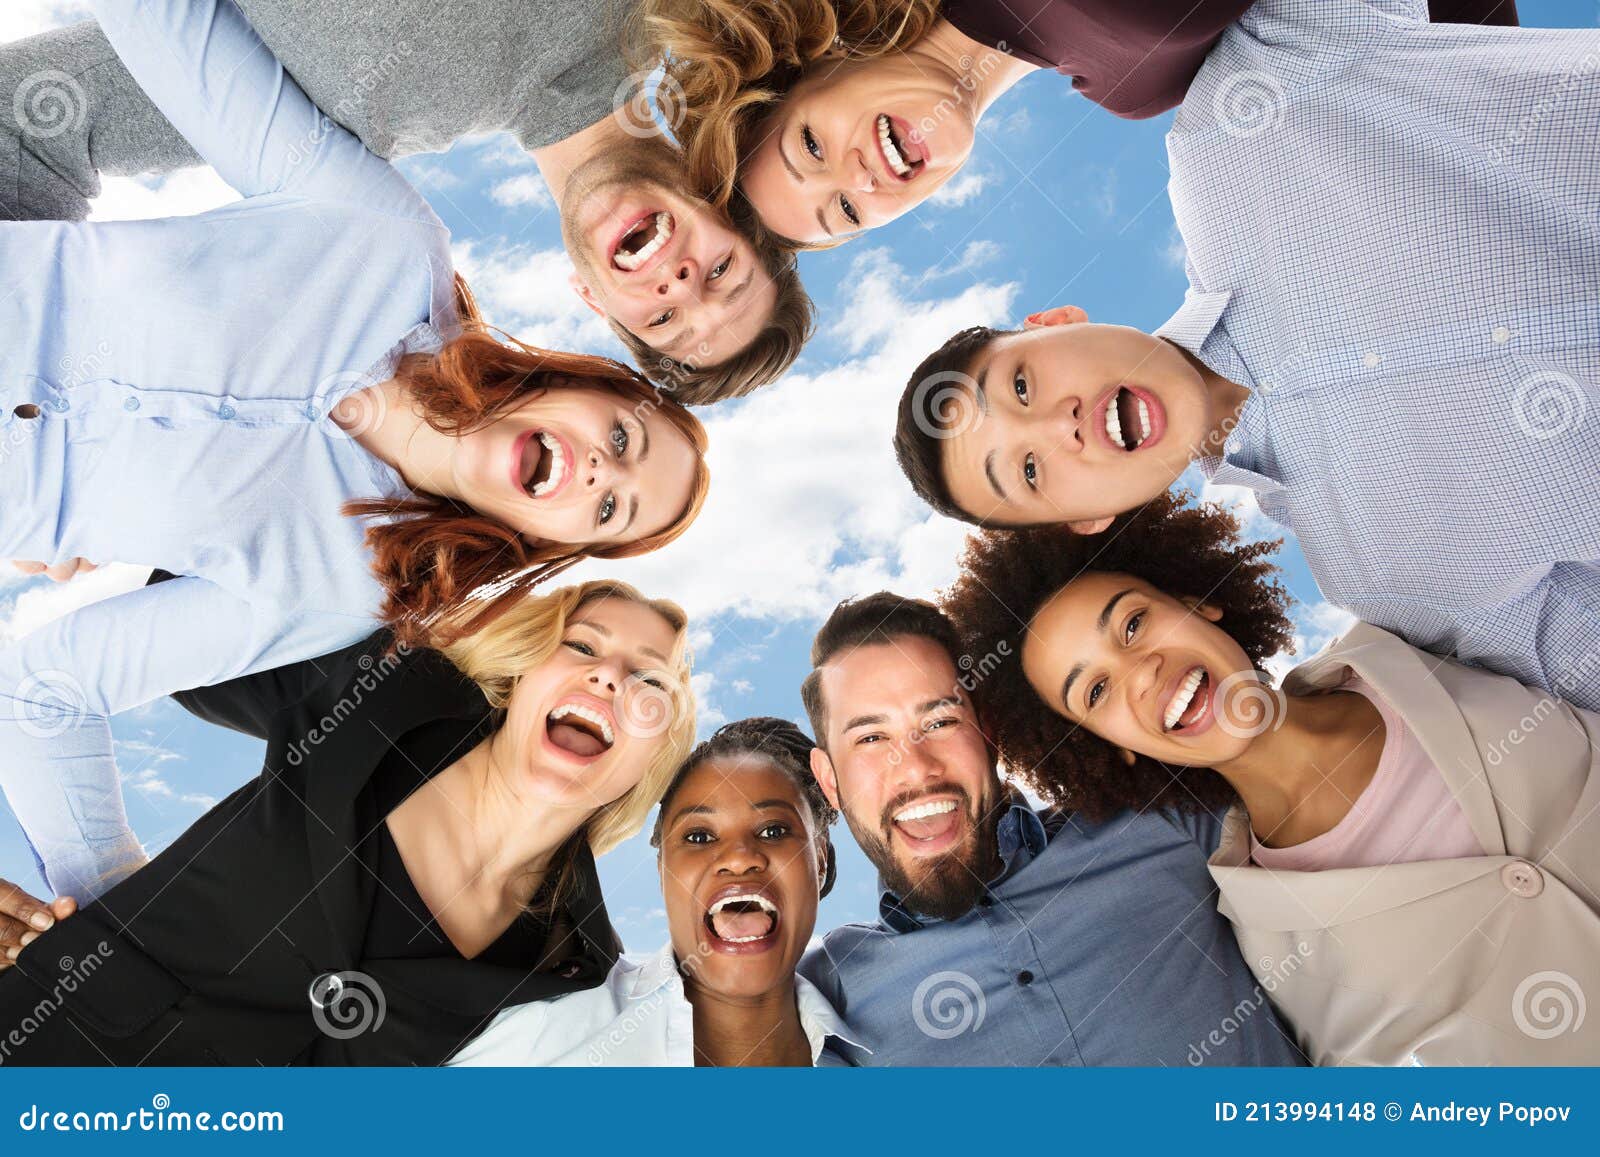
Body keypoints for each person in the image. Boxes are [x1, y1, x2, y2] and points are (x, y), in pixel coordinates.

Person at [0, 0, 711, 903]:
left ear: (560, 540)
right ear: (585, 382)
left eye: (614, 507)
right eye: (623, 437)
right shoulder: (387, 241)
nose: (606, 471)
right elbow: (166, 27)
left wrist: (105, 910)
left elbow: (41, 690)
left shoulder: (347, 591)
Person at [896, 0, 1599, 709]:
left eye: (1021, 386)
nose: (1062, 424)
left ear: (1054, 320)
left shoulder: (1237, 119)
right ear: (1086, 521)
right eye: (1028, 468)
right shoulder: (1385, 579)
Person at [941, 493, 1600, 1064]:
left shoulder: (1412, 638)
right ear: (1113, 749)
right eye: (1097, 691)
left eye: (1133, 622)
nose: (1141, 671)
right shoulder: (1269, 933)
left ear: (1197, 601)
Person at [0, 580, 699, 1066]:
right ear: (523, 673)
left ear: (654, 752)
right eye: (582, 646)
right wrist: (104, 892)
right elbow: (152, 646)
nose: (611, 678)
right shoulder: (389, 689)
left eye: (651, 680)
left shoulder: (580, 974)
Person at [0, 0, 812, 401]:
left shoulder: (324, 128)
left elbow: (27, 121)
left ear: (593, 300)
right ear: (725, 202)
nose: (679, 287)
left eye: (665, 319)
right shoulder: (665, 12)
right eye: (723, 274)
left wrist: (38, 395)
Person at [794, 591, 1305, 1065]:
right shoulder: (825, 999)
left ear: (988, 734)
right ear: (829, 781)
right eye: (870, 738)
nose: (915, 767)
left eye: (940, 723)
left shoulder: (1160, 817)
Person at [637, 0, 1517, 245]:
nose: (856, 179)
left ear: (814, 71)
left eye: (810, 149)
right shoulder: (1127, 92)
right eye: (846, 213)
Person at [451, 717, 861, 1066]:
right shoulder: (548, 1039)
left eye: (773, 831)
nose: (739, 858)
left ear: (820, 858)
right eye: (699, 836)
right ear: (663, 867)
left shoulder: (887, 1055)